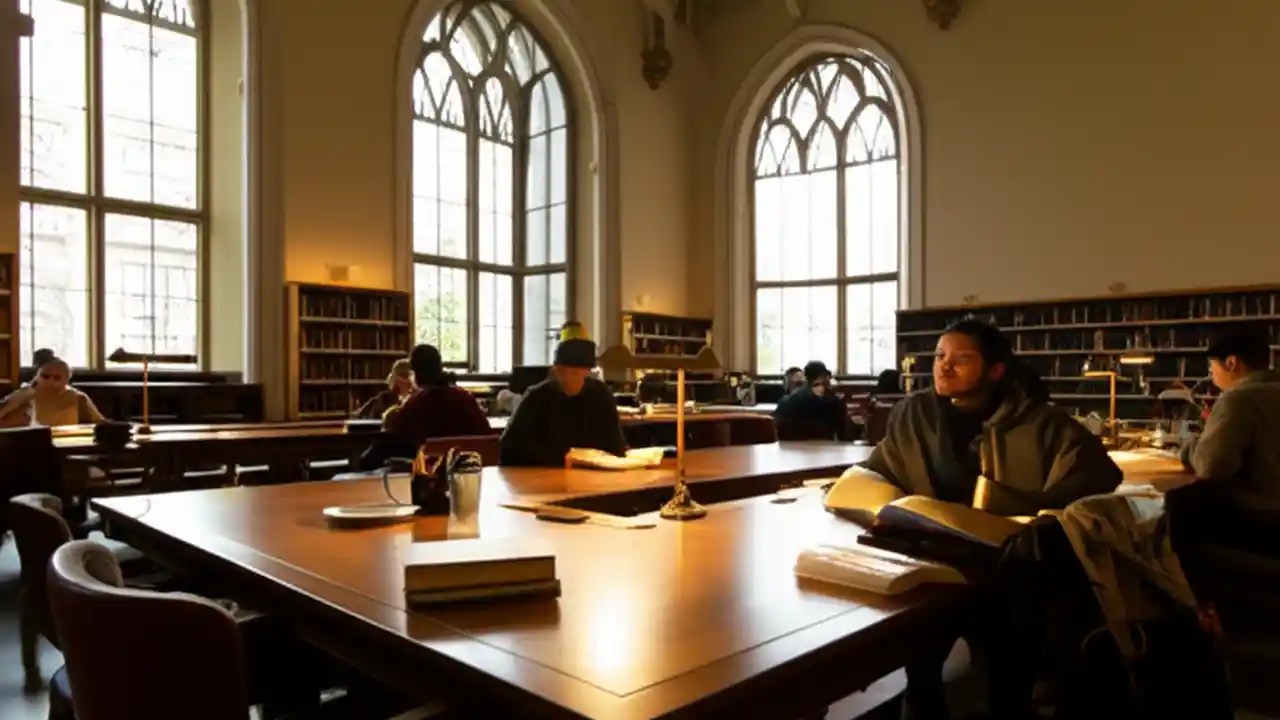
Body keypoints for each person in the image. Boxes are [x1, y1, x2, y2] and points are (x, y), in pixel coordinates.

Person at [834, 319, 1120, 515]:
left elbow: (1099, 477)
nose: (944, 368)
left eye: (962, 359)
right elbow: (883, 467)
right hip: (926, 544)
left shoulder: (1040, 421)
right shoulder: (915, 414)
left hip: (1012, 555)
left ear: (995, 371)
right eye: (940, 356)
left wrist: (1028, 508)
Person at [1180, 332, 1280, 498]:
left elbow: (1211, 466)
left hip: (1257, 514)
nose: (1210, 371)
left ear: (1231, 363)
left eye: (1211, 365)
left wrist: (1189, 448)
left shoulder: (1238, 399)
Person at [500, 338, 627, 466]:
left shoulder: (601, 395)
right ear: (556, 371)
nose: (571, 377)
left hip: (591, 475)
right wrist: (559, 459)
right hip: (543, 475)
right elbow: (510, 449)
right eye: (565, 371)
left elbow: (616, 446)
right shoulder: (536, 397)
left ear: (589, 372)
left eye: (578, 373)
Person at [382, 344, 491, 446]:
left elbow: (394, 429)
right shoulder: (464, 398)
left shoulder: (415, 404)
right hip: (466, 463)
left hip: (427, 464)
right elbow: (486, 434)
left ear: (414, 373)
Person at [0, 357, 106, 428]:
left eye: (57, 378)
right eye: (45, 376)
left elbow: (100, 424)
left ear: (66, 380)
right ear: (37, 376)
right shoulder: (23, 396)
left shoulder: (78, 398)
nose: (50, 381)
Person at [772, 361, 851, 440]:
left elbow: (776, 425)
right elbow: (844, 433)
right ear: (823, 377)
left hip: (792, 447)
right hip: (824, 447)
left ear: (805, 376)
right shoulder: (833, 401)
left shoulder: (788, 400)